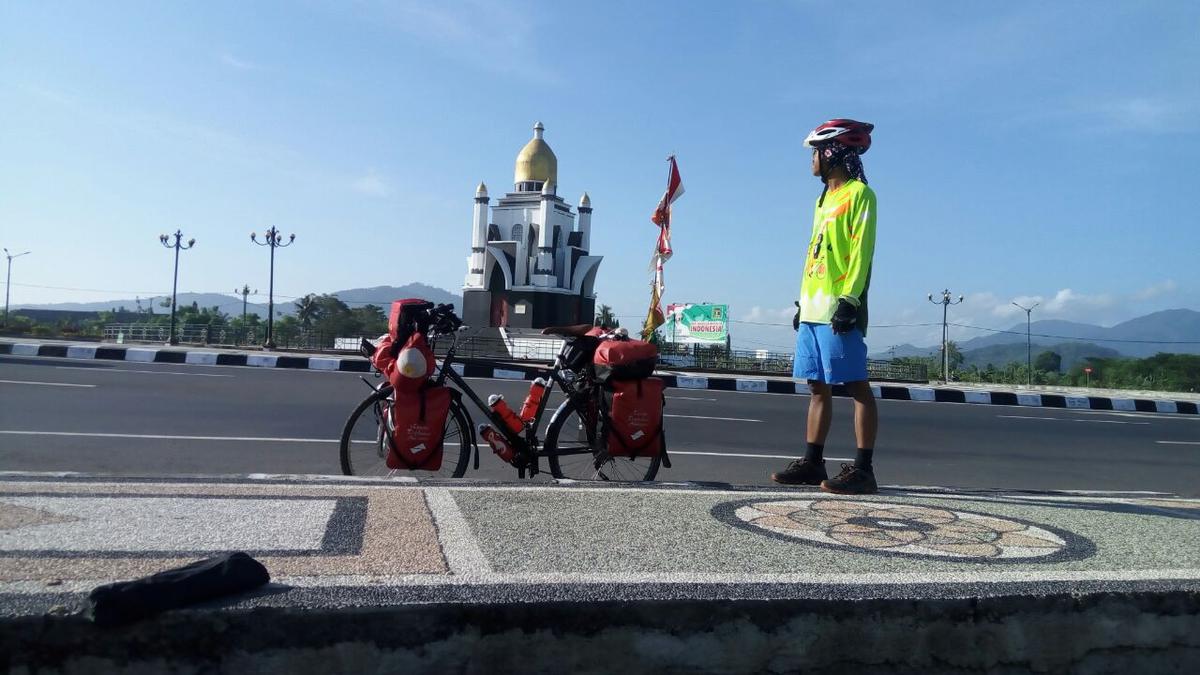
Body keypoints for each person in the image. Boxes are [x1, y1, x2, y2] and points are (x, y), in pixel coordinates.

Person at [772, 119, 879, 495]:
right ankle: (813, 460)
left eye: (816, 153)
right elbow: (814, 254)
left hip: (839, 307)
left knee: (856, 386)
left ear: (833, 152)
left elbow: (860, 252)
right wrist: (803, 301)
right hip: (814, 308)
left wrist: (849, 300)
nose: (812, 160)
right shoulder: (822, 200)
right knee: (817, 387)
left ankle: (864, 469)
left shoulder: (859, 194)